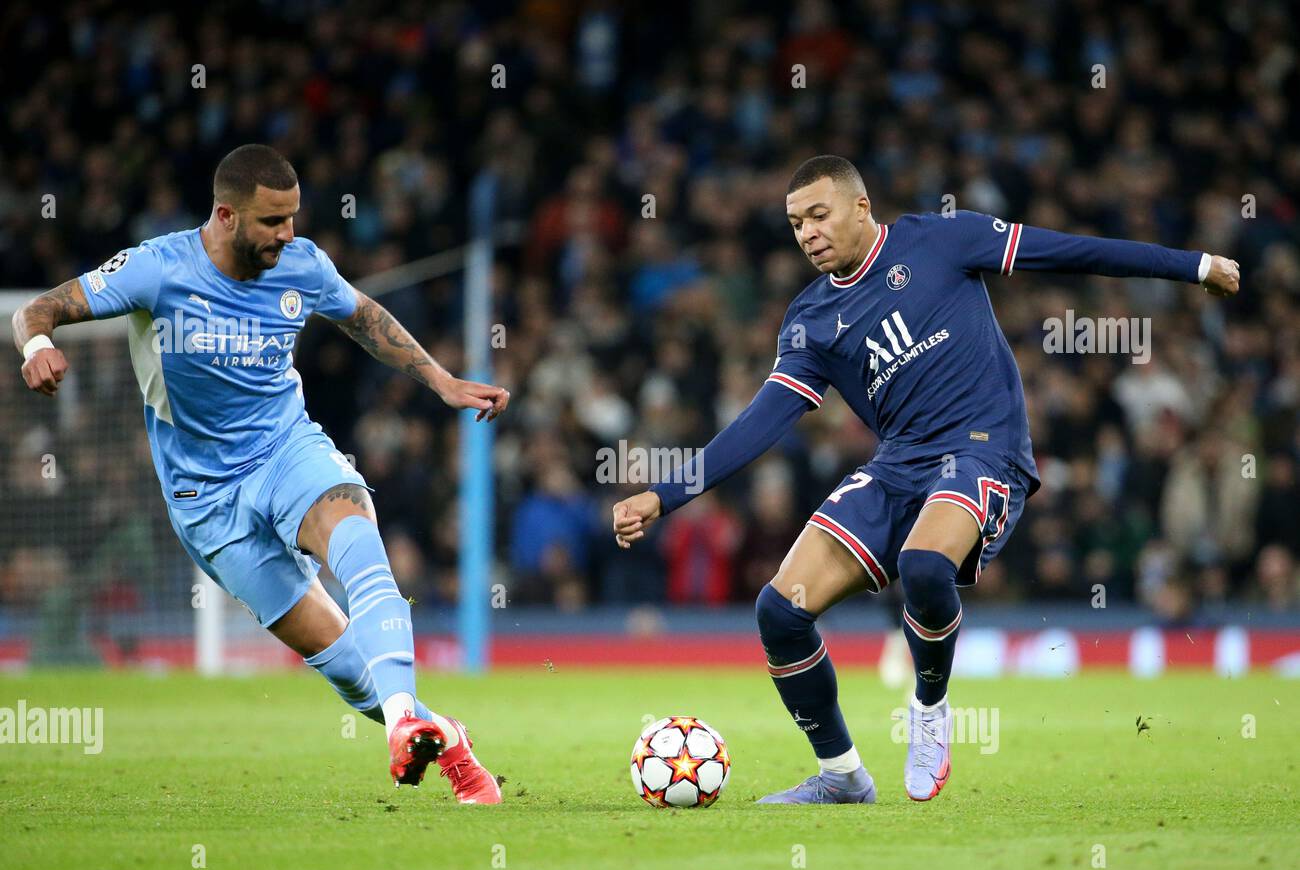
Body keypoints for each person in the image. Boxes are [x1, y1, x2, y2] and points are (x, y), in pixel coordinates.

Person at [613, 154, 1240, 804]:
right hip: (899, 465)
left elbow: (1071, 252)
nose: (807, 234)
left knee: (924, 564)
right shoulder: (809, 321)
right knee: (780, 610)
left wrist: (1194, 266)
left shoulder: (941, 239)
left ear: (861, 208)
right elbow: (758, 422)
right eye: (796, 223)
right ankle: (842, 777)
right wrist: (665, 493)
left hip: (983, 449)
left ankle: (930, 710)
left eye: (818, 215)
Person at [14, 144, 509, 802]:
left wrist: (439, 380)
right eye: (273, 221)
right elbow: (37, 309)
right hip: (205, 499)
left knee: (358, 540)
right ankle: (430, 728)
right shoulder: (156, 268)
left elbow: (362, 315)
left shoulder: (301, 266)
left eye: (294, 217)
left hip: (285, 449)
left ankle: (405, 726)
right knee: (348, 671)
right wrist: (38, 345)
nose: (289, 234)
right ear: (226, 215)